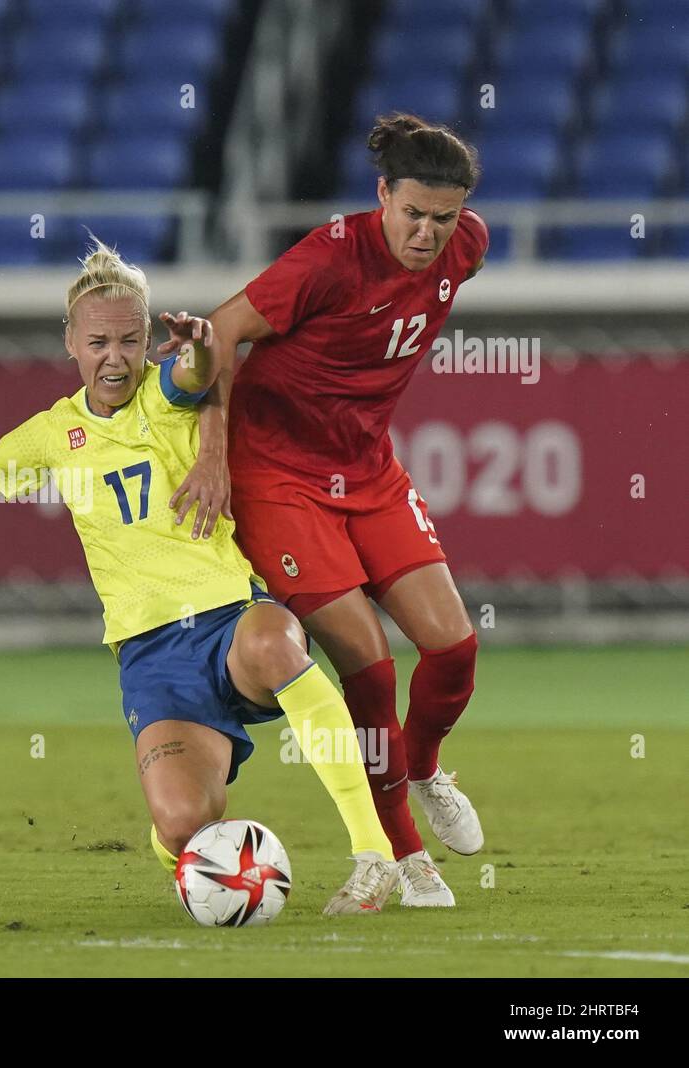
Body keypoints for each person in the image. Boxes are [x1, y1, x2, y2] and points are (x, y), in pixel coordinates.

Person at [0, 239, 406, 915]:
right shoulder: (52, 435)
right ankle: (192, 860)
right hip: (153, 659)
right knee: (185, 821)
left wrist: (194, 348)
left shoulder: (167, 396)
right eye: (99, 341)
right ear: (71, 342)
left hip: (229, 621)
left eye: (131, 340)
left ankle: (375, 857)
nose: (115, 357)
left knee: (279, 640)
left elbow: (195, 371)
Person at [187, 114, 490, 907]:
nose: (427, 234)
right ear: (382, 195)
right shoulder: (326, 258)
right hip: (277, 477)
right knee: (369, 664)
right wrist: (213, 452)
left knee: (454, 649)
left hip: (368, 469)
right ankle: (402, 855)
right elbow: (219, 331)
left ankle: (422, 769)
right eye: (412, 214)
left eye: (444, 218)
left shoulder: (469, 246)